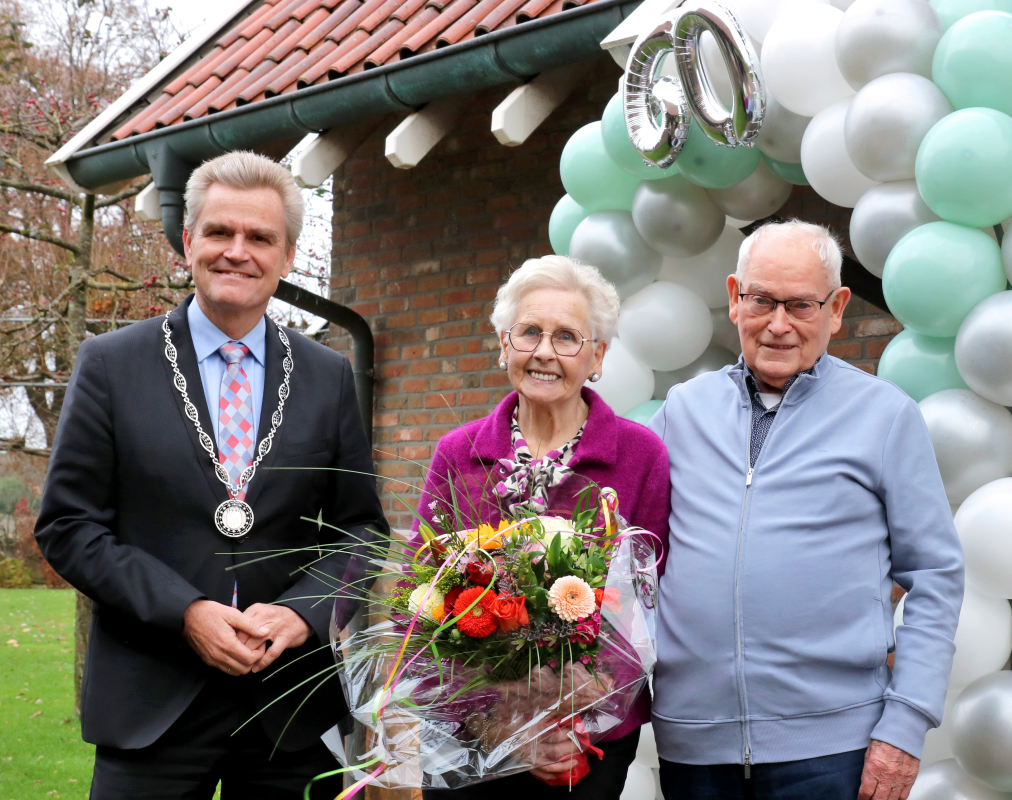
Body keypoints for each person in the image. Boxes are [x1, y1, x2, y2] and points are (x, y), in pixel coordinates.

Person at [35, 151, 388, 799]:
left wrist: (302, 615)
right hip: (150, 705)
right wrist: (186, 611)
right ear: (188, 241)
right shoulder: (110, 365)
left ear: (286, 258)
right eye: (220, 232)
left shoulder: (327, 376)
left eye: (260, 238)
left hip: (287, 713)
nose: (237, 251)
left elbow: (361, 532)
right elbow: (68, 526)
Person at [648, 220, 965, 800]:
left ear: (837, 308)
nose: (777, 324)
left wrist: (906, 725)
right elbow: (629, 559)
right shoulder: (681, 412)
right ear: (733, 297)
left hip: (832, 751)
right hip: (693, 748)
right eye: (762, 299)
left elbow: (936, 577)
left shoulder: (885, 416)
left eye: (800, 305)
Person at [414, 255, 671, 799]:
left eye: (568, 337)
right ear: (505, 344)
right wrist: (496, 723)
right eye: (529, 331)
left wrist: (568, 718)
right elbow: (421, 600)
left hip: (585, 742)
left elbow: (652, 602)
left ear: (597, 356)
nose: (545, 352)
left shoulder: (639, 455)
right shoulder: (458, 454)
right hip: (472, 739)